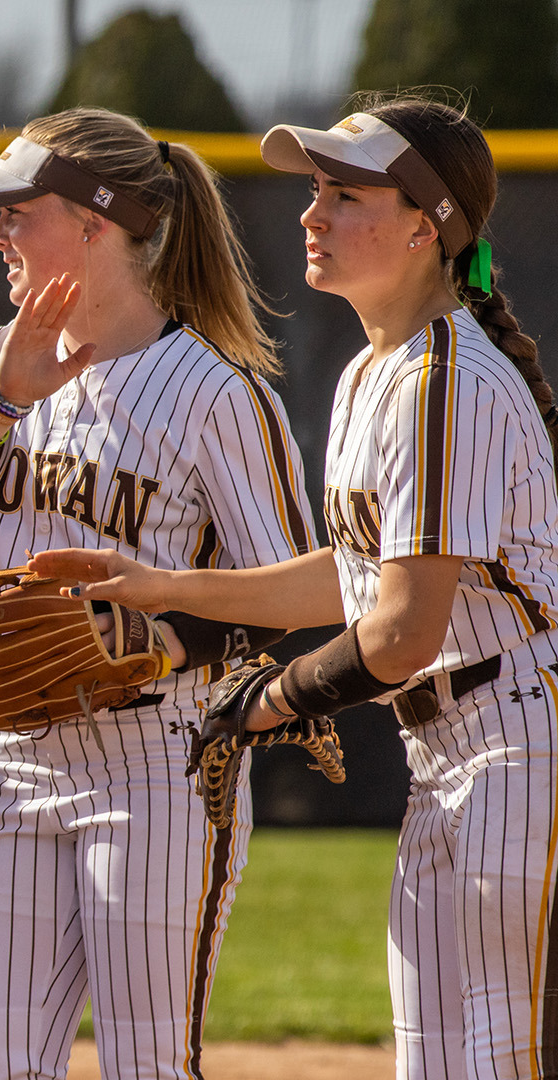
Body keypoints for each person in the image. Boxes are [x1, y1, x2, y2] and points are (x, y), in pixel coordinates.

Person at [31, 95, 558, 1080]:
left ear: (423, 226)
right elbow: (356, 577)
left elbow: (400, 632)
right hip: (451, 754)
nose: (311, 214)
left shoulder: (448, 382)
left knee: (504, 1061)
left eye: (344, 193)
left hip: (523, 745)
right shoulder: (375, 374)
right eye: (316, 190)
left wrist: (271, 698)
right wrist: (169, 584)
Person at [0, 107, 315, 1080]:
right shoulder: (4, 361)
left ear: (93, 222)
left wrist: (163, 633)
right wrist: (2, 400)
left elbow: (300, 590)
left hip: (159, 761)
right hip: (16, 757)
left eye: (14, 212)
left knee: (146, 1065)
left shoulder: (215, 391)